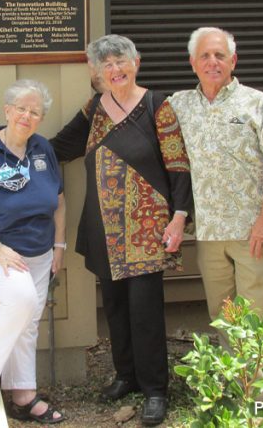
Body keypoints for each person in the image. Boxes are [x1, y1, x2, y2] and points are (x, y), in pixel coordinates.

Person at [50, 34, 193, 426]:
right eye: (107, 64)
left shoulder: (157, 105)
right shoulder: (95, 108)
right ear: (98, 71)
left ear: (136, 63)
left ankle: (155, 390)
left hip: (147, 227)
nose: (115, 70)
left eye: (121, 61)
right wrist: (10, 145)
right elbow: (60, 146)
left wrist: (180, 216)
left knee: (145, 311)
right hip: (104, 226)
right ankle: (126, 375)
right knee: (114, 306)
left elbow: (178, 164)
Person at [0, 80, 66, 424]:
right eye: (21, 109)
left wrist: (59, 245)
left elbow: (59, 201)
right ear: (7, 110)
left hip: (39, 247)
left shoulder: (42, 149)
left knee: (28, 321)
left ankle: (23, 395)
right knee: (21, 299)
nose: (27, 116)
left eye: (35, 112)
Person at [167, 27, 263, 326]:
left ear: (233, 61)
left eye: (220, 55)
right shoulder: (178, 105)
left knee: (257, 319)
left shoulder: (259, 104)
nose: (212, 62)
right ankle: (230, 362)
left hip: (252, 231)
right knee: (222, 317)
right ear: (192, 63)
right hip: (208, 232)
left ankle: (261, 362)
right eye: (204, 56)